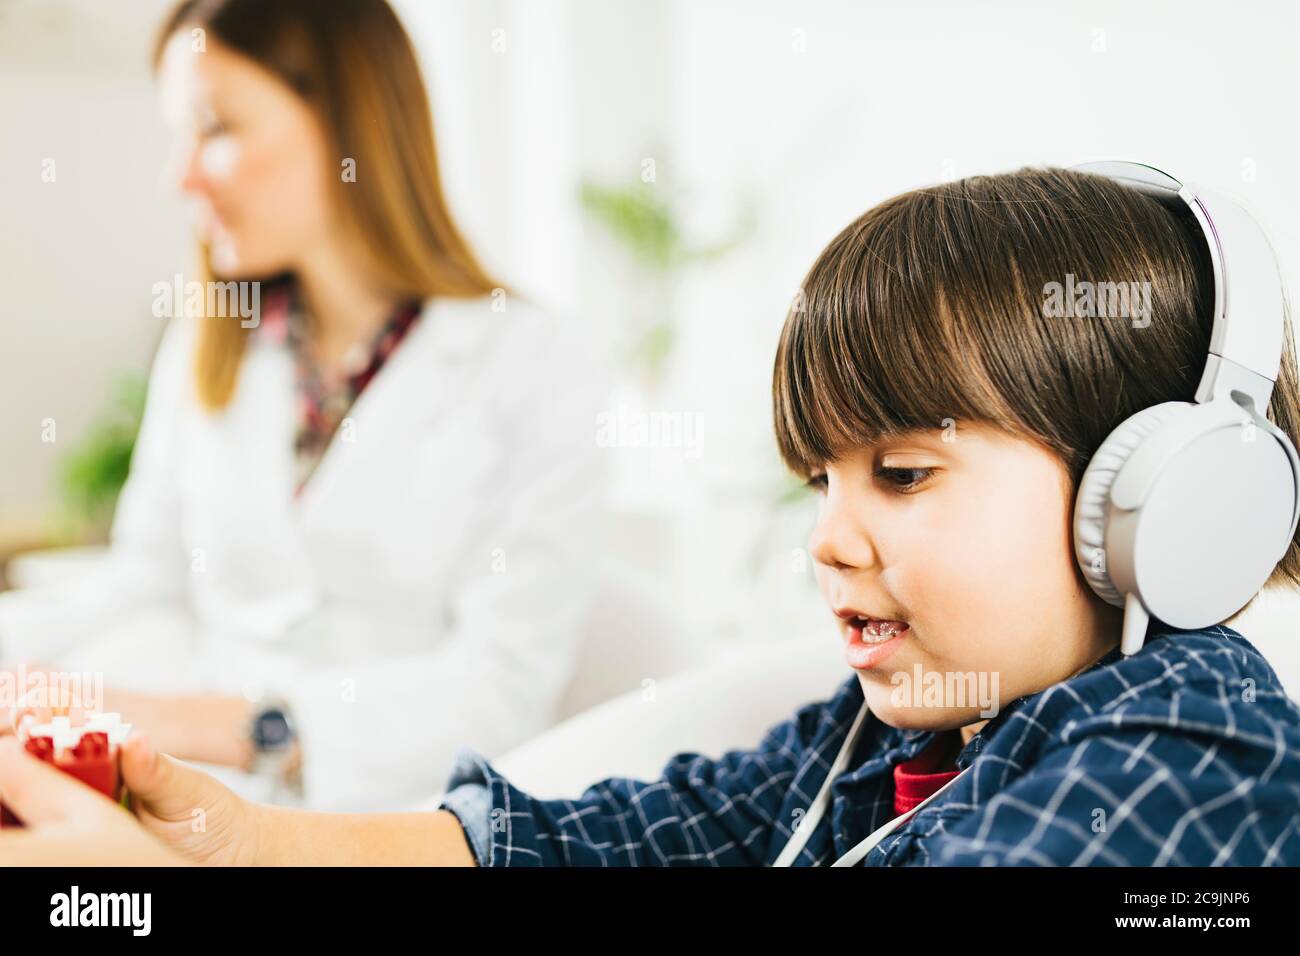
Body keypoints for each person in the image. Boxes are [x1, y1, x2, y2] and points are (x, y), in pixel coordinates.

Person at [4, 165, 1300, 865]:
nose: (827, 539)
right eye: (820, 479)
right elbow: (613, 837)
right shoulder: (892, 728)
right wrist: (244, 843)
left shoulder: (1193, 759)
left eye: (902, 474)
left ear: (1168, 502)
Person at [0, 0, 606, 811]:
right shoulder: (211, 342)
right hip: (200, 804)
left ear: (349, 123)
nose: (179, 176)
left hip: (403, 820)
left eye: (215, 127)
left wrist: (231, 727)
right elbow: (146, 580)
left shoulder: (534, 359)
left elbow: (502, 687)